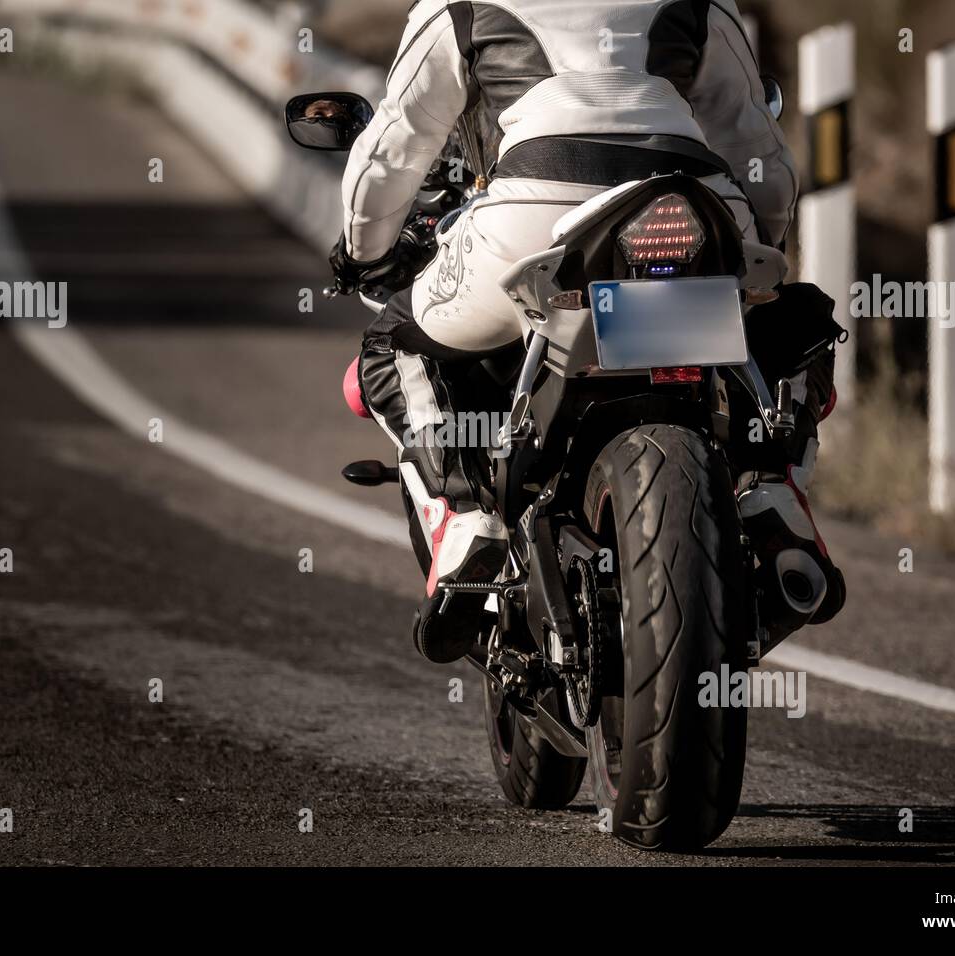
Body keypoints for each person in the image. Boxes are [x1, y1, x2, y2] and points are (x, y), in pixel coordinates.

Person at [331, 0, 840, 664]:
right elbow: (756, 149)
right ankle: (772, 492)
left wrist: (361, 251)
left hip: (533, 219)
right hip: (690, 202)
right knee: (789, 316)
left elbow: (397, 144)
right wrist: (759, 243)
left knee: (396, 340)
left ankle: (466, 522)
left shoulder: (456, 6)